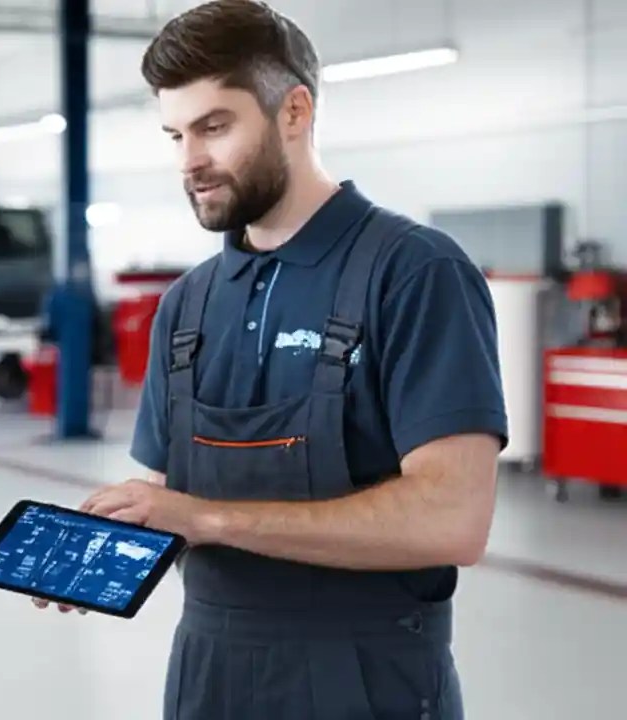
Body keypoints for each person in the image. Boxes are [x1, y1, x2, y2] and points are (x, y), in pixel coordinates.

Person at [62, 1, 507, 718]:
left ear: (294, 112)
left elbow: (453, 518)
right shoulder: (187, 304)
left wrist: (208, 519)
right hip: (208, 678)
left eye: (215, 126)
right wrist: (104, 554)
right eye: (175, 134)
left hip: (365, 683)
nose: (190, 161)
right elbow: (172, 502)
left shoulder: (415, 273)